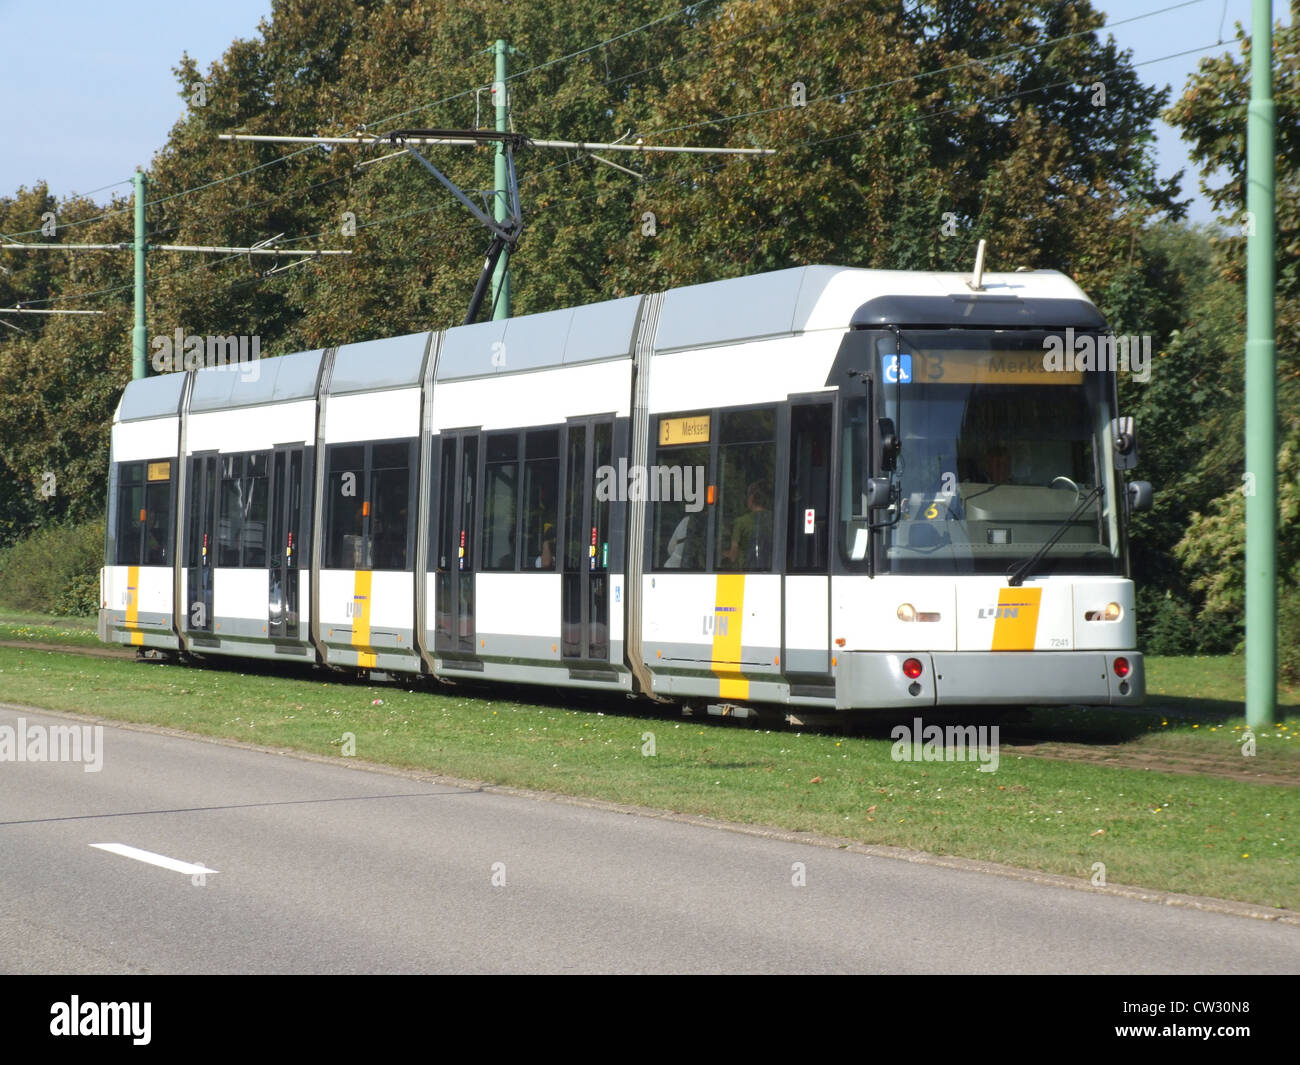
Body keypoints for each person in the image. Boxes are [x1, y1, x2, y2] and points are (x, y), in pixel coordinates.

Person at [724, 481, 772, 570]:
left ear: (751, 498)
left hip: (748, 572)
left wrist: (722, 554)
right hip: (771, 570)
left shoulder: (741, 522)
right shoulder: (774, 519)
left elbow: (733, 556)